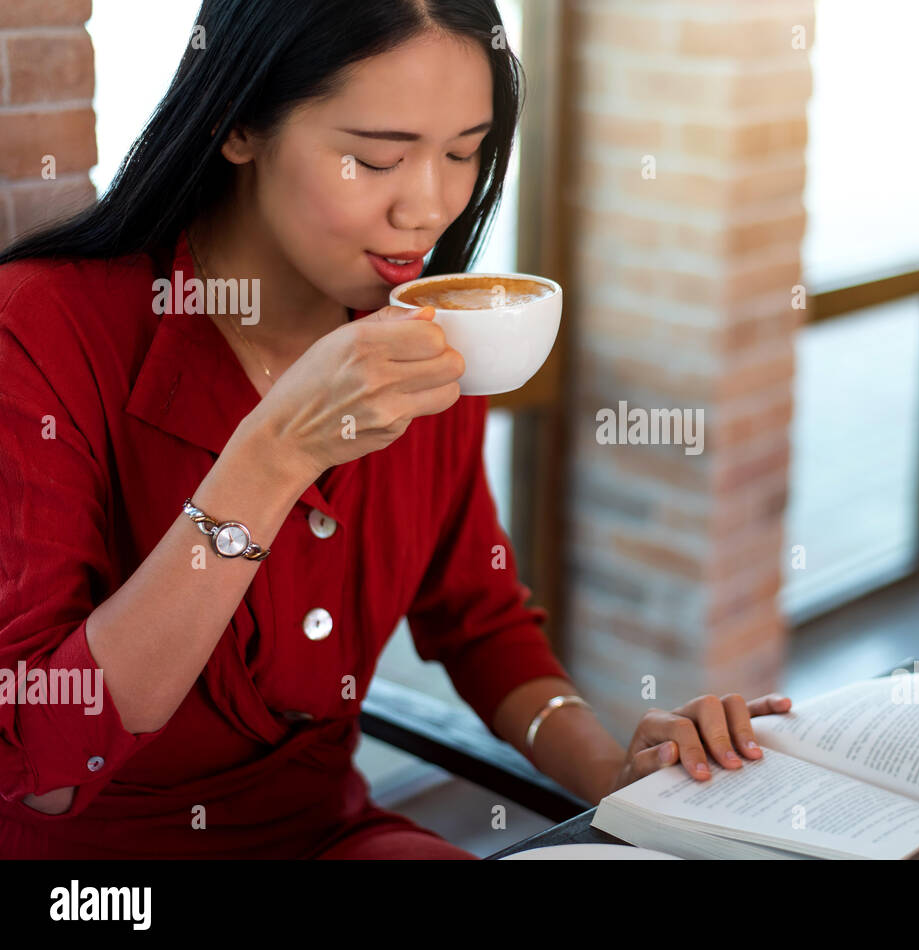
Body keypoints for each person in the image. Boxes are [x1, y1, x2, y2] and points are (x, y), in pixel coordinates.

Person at [0, 0, 791, 859]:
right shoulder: (46, 330)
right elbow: (44, 761)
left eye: (465, 152)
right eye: (376, 158)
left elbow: (479, 619)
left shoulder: (426, 336)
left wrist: (615, 774)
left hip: (325, 833)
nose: (430, 207)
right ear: (237, 125)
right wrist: (273, 458)